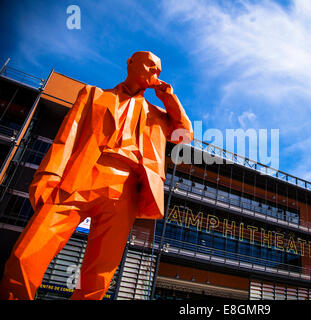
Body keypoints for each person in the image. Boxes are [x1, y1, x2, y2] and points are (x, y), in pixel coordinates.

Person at [0, 51, 193, 300]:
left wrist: (169, 99)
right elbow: (67, 135)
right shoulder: (93, 95)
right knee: (26, 255)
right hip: (79, 179)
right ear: (130, 63)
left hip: (124, 191)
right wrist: (48, 174)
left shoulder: (158, 114)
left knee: (99, 276)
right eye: (150, 66)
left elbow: (184, 136)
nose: (155, 72)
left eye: (158, 70)